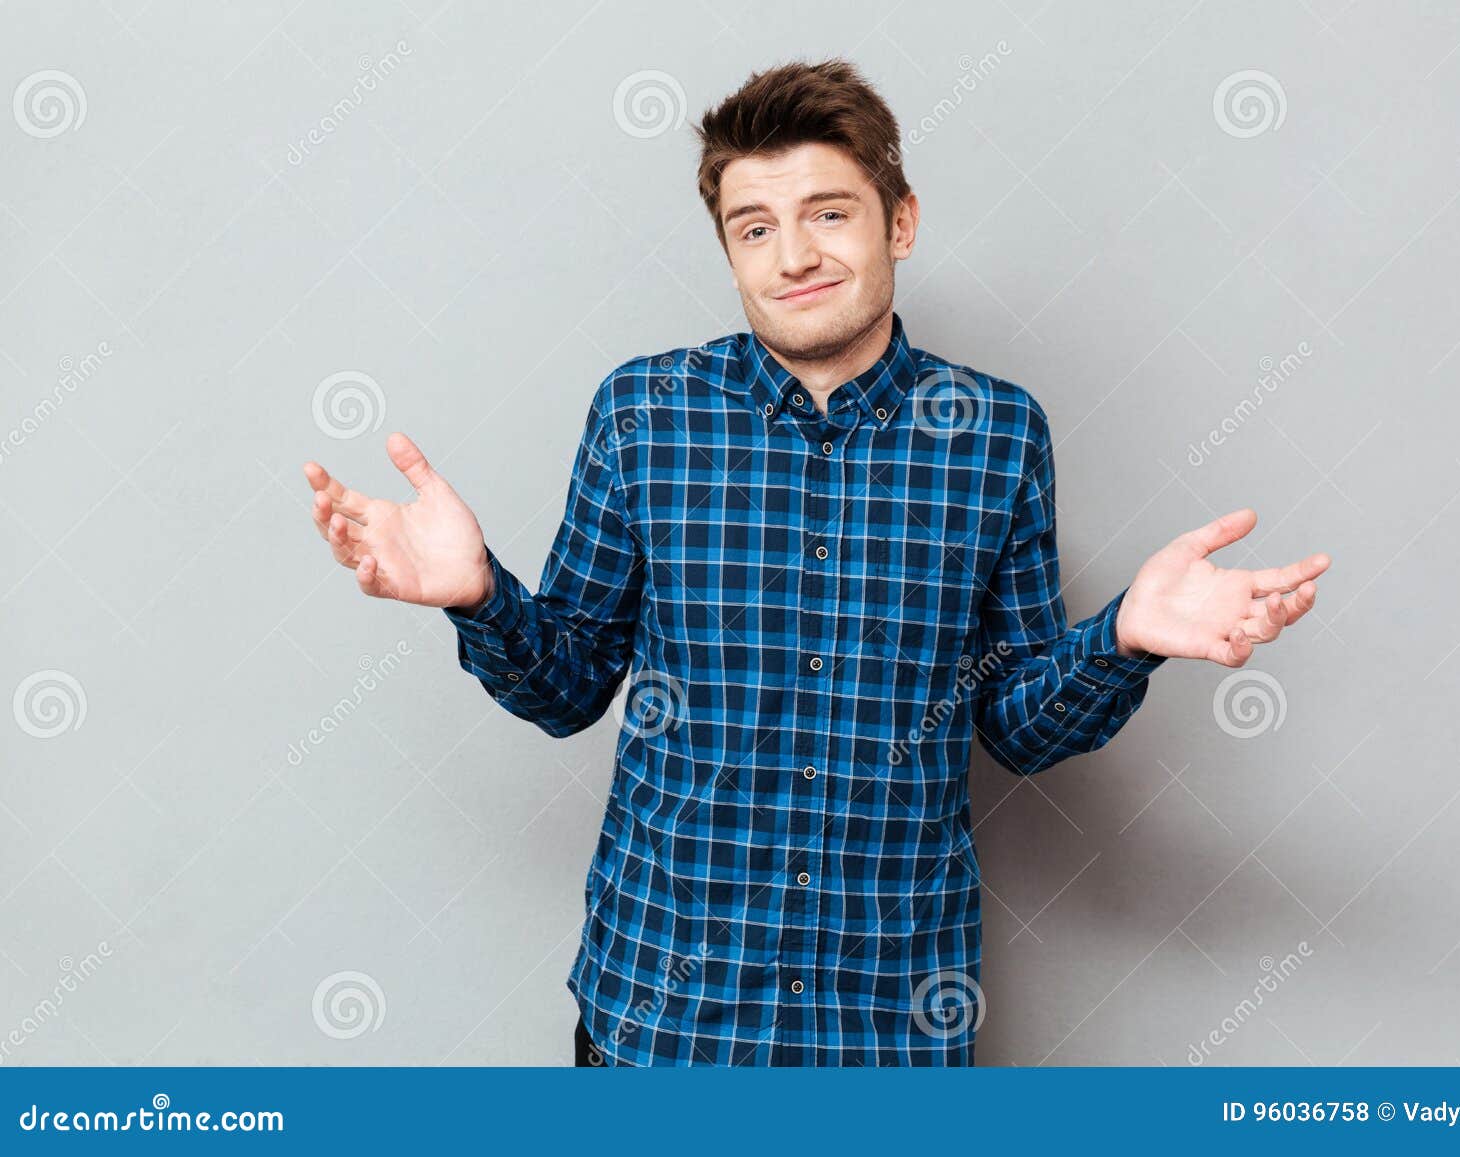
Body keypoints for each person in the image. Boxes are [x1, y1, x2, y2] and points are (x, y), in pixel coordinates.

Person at [303, 58, 1328, 1066]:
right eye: (755, 228)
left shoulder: (997, 435)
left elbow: (1015, 723)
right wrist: (479, 594)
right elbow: (569, 684)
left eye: (829, 213)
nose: (793, 254)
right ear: (730, 251)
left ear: (901, 220)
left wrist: (1122, 639)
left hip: (885, 1026)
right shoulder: (643, 413)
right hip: (666, 1012)